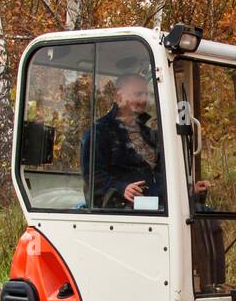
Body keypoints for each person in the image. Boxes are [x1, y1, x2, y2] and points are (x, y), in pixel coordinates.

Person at [82, 72, 209, 209]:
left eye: (145, 94)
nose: (143, 100)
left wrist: (189, 191)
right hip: (121, 211)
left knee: (202, 213)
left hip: (154, 206)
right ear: (118, 95)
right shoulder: (100, 132)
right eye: (138, 94)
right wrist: (122, 189)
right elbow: (93, 176)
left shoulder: (149, 133)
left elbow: (162, 175)